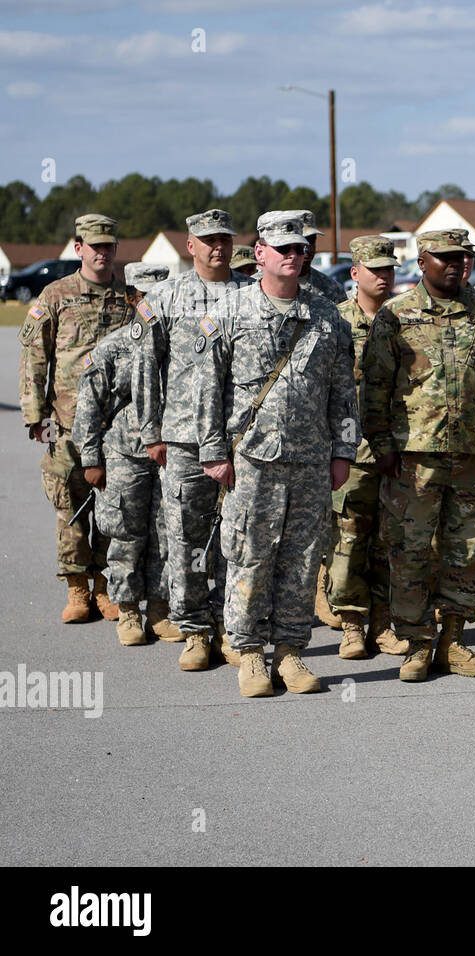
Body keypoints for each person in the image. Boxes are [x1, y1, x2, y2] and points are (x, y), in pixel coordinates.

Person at [194, 211, 358, 697]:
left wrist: (343, 450)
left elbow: (342, 393)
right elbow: (209, 388)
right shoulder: (229, 312)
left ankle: (290, 651)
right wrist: (212, 450)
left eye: (299, 248)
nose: (293, 256)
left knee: (302, 559)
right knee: (248, 554)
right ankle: (248, 654)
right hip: (251, 458)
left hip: (311, 460)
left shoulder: (327, 317)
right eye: (281, 248)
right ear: (260, 253)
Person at [361, 230, 475, 682]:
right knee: (410, 551)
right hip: (414, 457)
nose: (455, 264)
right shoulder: (396, 316)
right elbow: (374, 387)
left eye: (462, 257)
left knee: (467, 551)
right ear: (422, 261)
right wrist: (382, 445)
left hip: (472, 452)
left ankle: (454, 641)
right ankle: (416, 643)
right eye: (444, 257)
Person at [132, 208, 251, 670]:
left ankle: (231, 626)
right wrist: (151, 432)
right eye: (208, 239)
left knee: (237, 535)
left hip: (240, 436)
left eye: (224, 238)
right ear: (191, 244)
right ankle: (195, 631)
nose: (217, 247)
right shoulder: (162, 297)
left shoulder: (250, 294)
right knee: (185, 535)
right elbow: (146, 367)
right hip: (182, 437)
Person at [19, 213, 135, 624]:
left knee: (112, 507)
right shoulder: (56, 294)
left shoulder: (130, 295)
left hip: (117, 426)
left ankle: (105, 587)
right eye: (94, 245)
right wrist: (35, 415)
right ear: (78, 247)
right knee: (70, 506)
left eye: (109, 245)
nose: (102, 252)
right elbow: (35, 356)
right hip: (65, 424)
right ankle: (77, 589)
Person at [326, 235, 408, 659]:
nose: (383, 276)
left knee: (390, 540)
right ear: (355, 273)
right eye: (374, 269)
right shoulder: (336, 321)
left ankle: (384, 623)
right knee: (349, 541)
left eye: (389, 269)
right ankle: (352, 624)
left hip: (398, 449)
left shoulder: (405, 319)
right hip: (352, 452)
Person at [72, 318, 169, 648]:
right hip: (124, 453)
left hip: (171, 454)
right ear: (133, 299)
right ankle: (128, 610)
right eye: (144, 296)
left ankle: (159, 609)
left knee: (165, 535)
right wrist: (91, 459)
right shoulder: (114, 346)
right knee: (126, 533)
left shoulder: (178, 338)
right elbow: (88, 403)